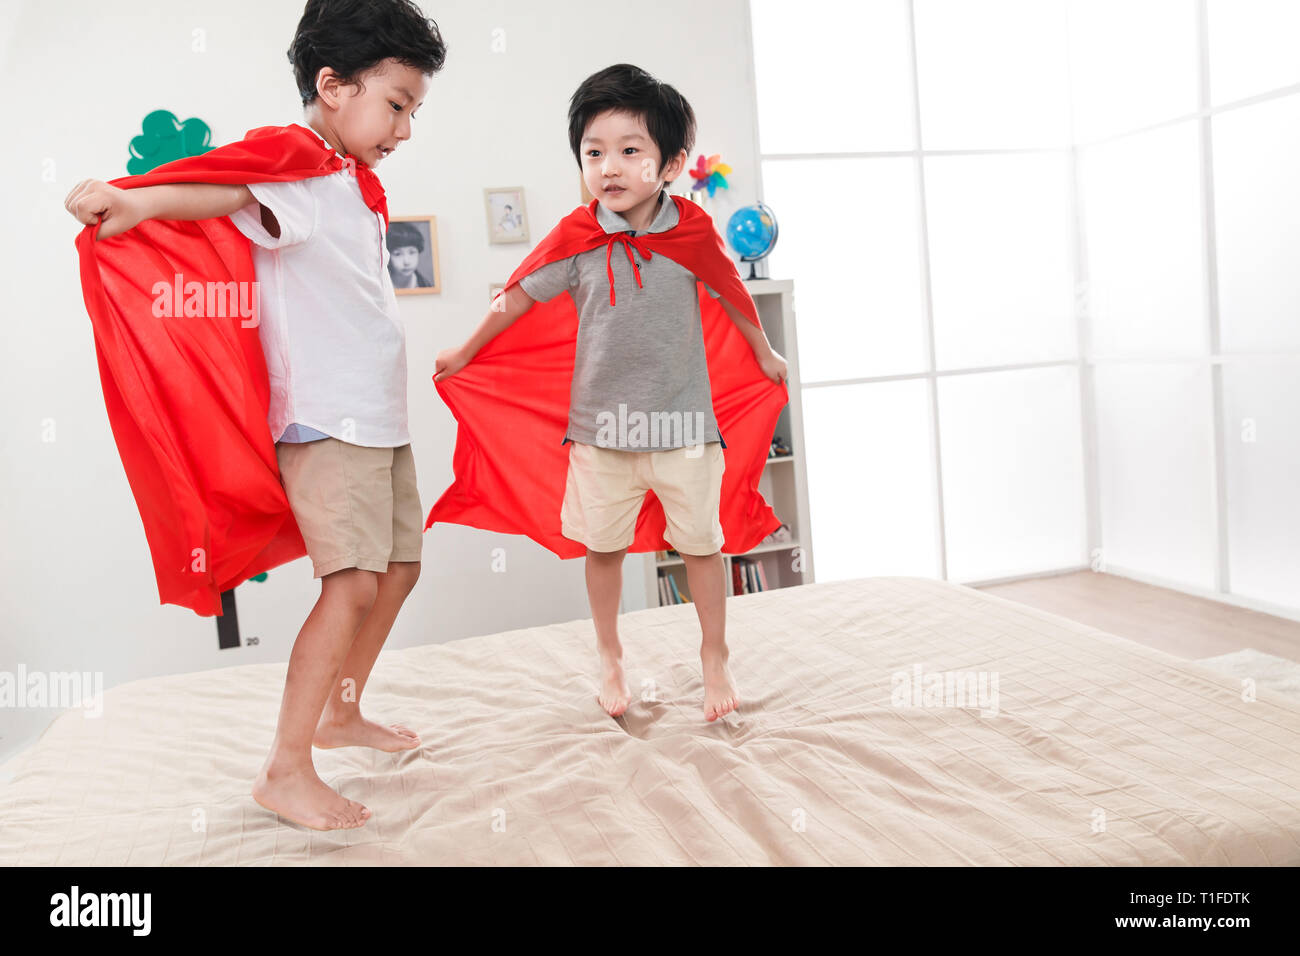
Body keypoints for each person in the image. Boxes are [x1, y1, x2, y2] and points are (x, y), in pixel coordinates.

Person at [64, 0, 447, 831]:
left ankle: (342, 711)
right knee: (349, 585)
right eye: (397, 104)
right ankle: (286, 766)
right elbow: (223, 188)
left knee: (400, 568)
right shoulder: (299, 169)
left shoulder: (347, 181)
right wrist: (138, 204)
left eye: (415, 109)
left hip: (379, 420)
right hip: (328, 420)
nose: (405, 127)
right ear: (333, 86)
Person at [433, 64, 789, 723]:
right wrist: (466, 349)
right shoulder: (577, 240)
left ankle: (715, 657)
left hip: (684, 431)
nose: (610, 167)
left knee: (702, 547)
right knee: (604, 549)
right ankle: (611, 656)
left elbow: (733, 295)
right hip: (601, 434)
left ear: (671, 162)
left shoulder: (691, 234)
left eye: (631, 151)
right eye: (594, 153)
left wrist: (765, 352)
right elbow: (515, 295)